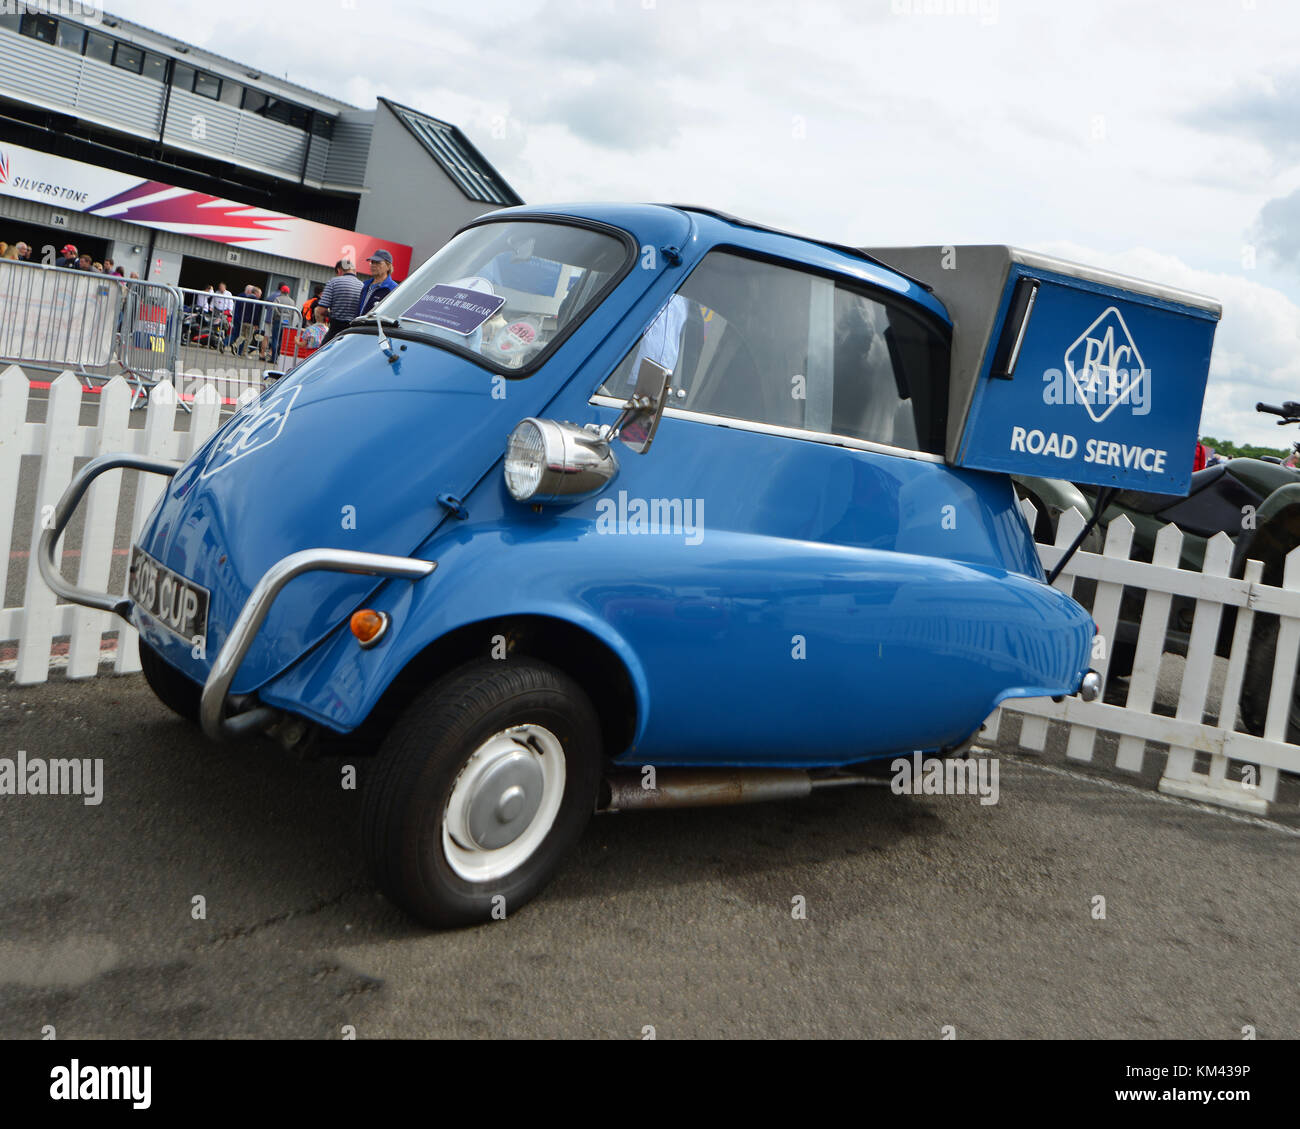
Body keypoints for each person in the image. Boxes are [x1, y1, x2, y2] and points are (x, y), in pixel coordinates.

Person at [317, 258, 363, 345]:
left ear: (339, 270)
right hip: (353, 331)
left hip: (335, 329)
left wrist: (329, 314)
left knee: (323, 352)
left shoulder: (333, 282)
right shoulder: (362, 286)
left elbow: (321, 310)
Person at [357, 249, 398, 317]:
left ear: (388, 266)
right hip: (359, 326)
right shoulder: (365, 285)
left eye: (378, 263)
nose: (373, 265)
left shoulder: (393, 288)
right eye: (372, 262)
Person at [231, 285, 264, 357]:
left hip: (243, 321)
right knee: (249, 338)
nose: (260, 295)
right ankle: (244, 353)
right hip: (250, 322)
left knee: (242, 335)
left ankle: (235, 344)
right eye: (259, 294)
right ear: (255, 293)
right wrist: (256, 324)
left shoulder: (245, 299)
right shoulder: (257, 302)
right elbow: (256, 313)